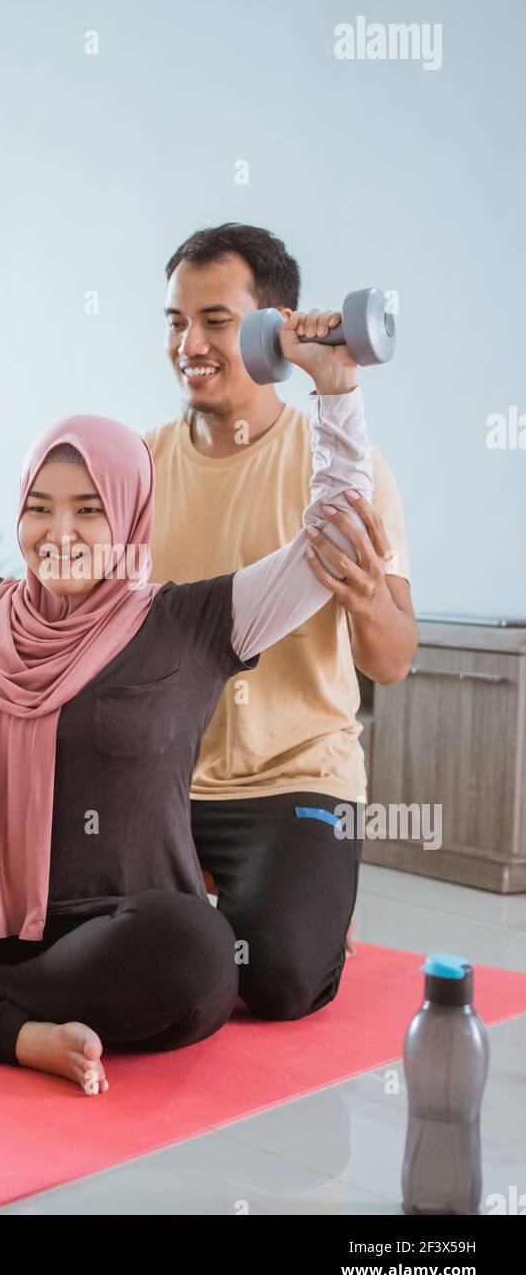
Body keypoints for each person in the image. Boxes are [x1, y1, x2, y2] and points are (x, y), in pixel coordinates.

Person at [0, 305, 373, 1094]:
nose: (62, 531)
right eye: (41, 507)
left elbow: (329, 534)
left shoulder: (193, 622)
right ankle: (13, 1031)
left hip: (116, 938)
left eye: (90, 509)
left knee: (196, 947)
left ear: (128, 514)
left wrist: (335, 383)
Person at [143, 223, 416, 1019]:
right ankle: (236, 897)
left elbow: (393, 661)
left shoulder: (341, 465)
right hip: (162, 776)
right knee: (74, 929)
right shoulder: (135, 466)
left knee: (278, 982)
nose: (189, 342)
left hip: (297, 773)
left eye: (216, 321)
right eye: (174, 321)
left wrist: (365, 598)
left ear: (272, 329)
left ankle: (300, 901)